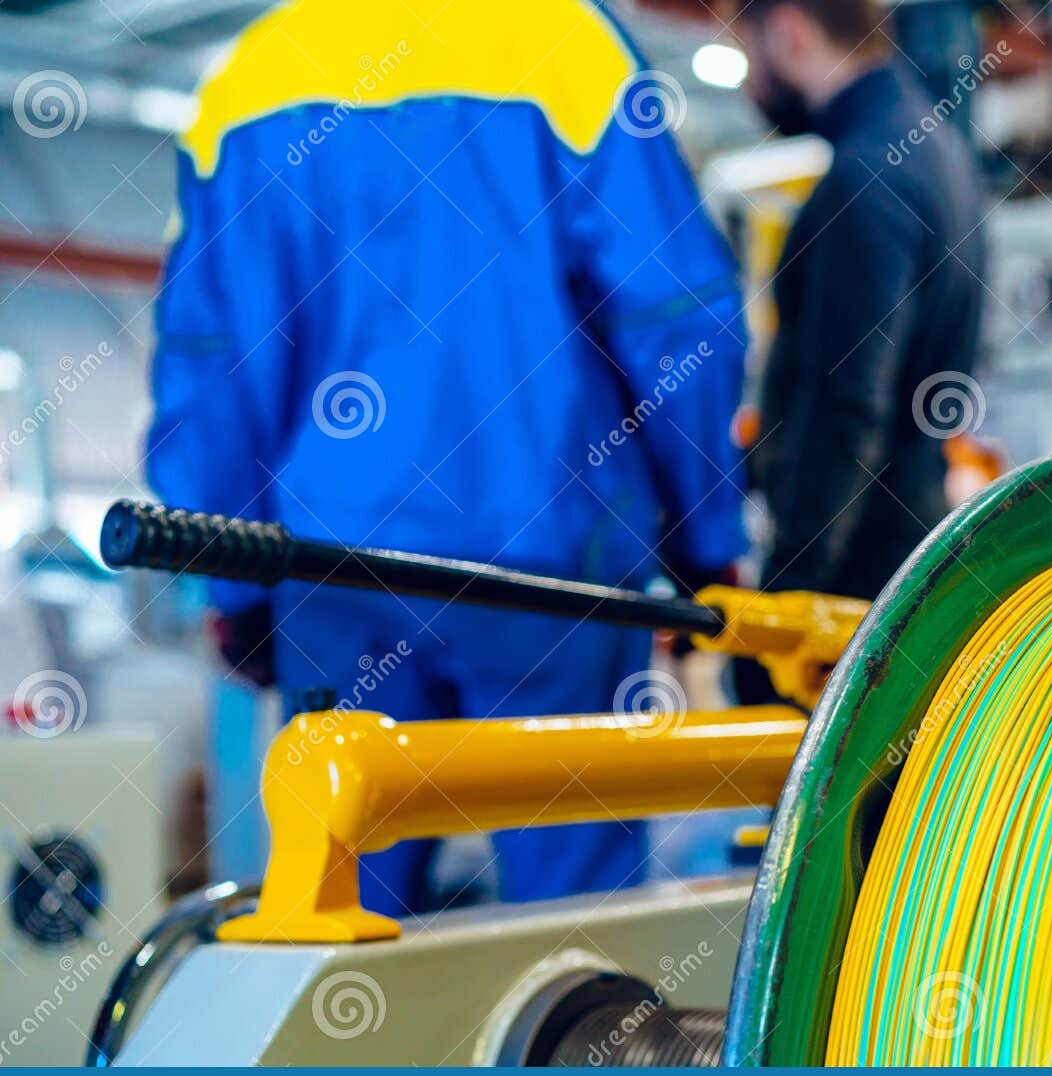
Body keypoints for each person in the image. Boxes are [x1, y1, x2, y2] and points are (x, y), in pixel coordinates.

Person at [146, 0, 748, 916]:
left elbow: (210, 364)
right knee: (574, 929)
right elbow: (676, 316)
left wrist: (230, 582)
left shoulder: (248, 84)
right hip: (550, 575)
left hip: (331, 571)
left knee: (340, 913)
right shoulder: (567, 46)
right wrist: (705, 533)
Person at [724, 0, 986, 603]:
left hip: (859, 580)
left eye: (744, 53)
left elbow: (847, 406)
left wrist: (789, 597)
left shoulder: (868, 177)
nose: (746, 84)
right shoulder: (933, 144)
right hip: (905, 553)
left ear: (788, 34)